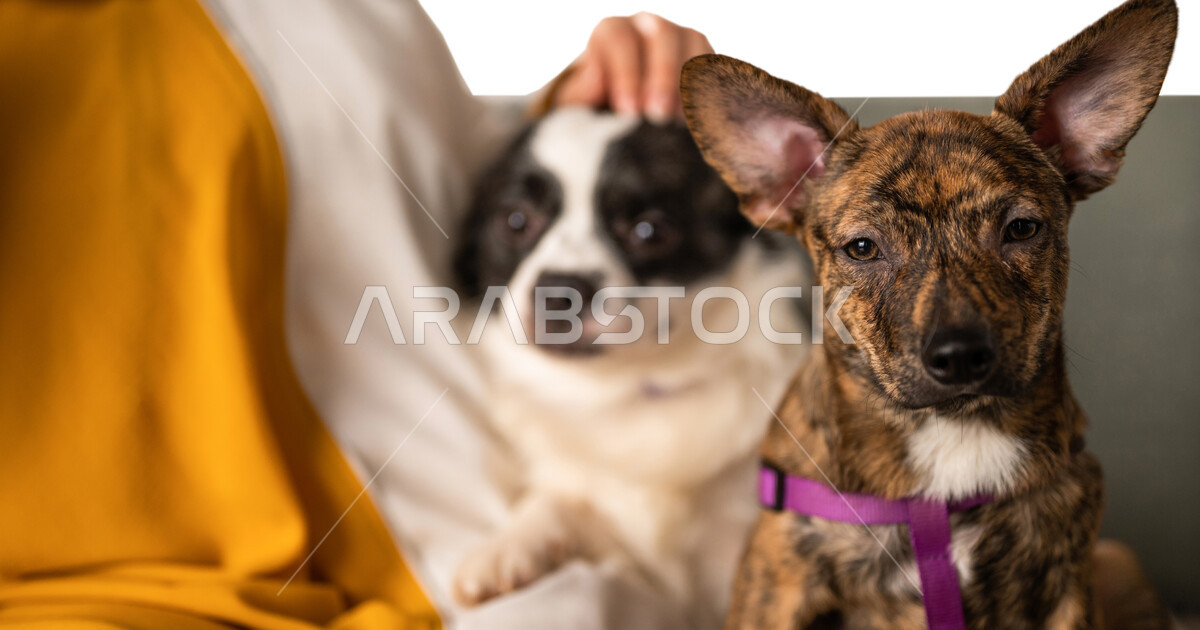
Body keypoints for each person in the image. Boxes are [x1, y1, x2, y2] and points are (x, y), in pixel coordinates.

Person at [0, 1, 710, 628]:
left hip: (507, 581)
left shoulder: (363, 14)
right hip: (89, 600)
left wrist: (582, 118)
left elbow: (456, 211)